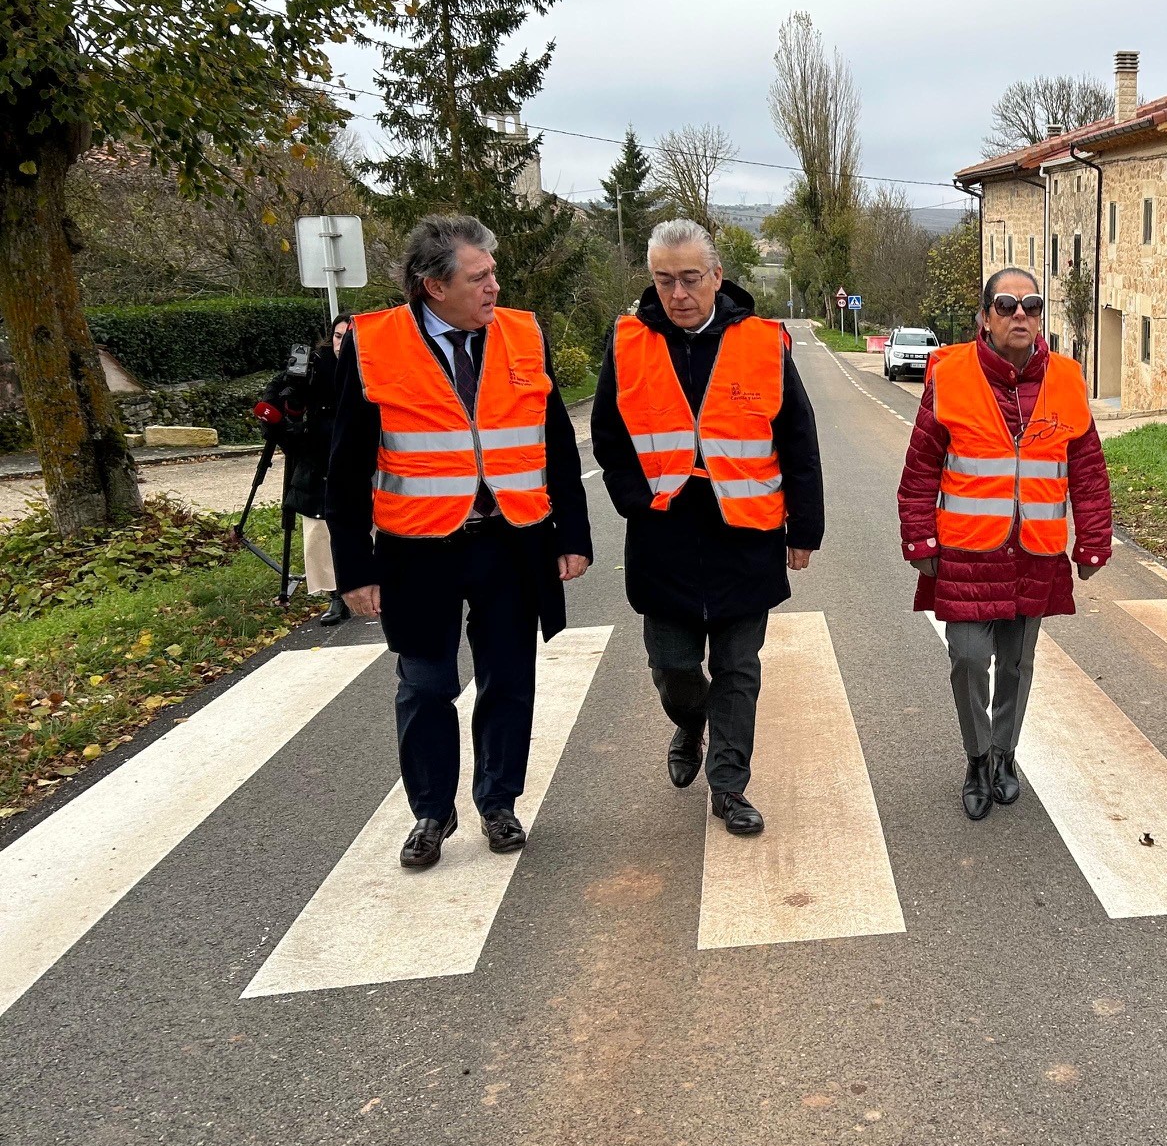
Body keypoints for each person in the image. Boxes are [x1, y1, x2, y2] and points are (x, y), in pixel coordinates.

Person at [327, 215, 593, 869]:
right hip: (418, 551)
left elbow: (557, 442)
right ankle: (431, 812)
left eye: (493, 273)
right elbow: (345, 468)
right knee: (425, 683)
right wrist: (354, 569)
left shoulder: (524, 336)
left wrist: (572, 534)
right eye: (479, 277)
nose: (494, 286)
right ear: (432, 287)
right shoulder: (375, 345)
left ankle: (498, 802)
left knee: (509, 677)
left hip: (510, 543)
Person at [591, 219, 824, 837]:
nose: (677, 293)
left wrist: (804, 527)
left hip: (745, 534)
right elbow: (609, 437)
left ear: (717, 277)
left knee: (738, 668)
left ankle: (729, 785)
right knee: (672, 666)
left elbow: (797, 438)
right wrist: (634, 500)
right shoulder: (629, 341)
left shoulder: (763, 342)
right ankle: (689, 722)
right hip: (663, 534)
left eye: (690, 278)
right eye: (664, 280)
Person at [897, 267, 1112, 821]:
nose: (1021, 314)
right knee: (968, 659)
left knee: (1017, 663)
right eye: (1007, 304)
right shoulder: (951, 377)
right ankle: (975, 757)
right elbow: (921, 467)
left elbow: (1086, 469)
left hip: (1035, 552)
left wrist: (1092, 540)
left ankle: (1004, 754)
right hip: (967, 552)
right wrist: (919, 535)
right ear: (985, 317)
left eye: (1032, 305)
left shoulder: (1066, 379)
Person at [298, 315, 350, 626]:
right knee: (319, 527)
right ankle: (335, 594)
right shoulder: (316, 368)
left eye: (349, 336)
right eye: (338, 336)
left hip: (364, 455)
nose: (342, 342)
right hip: (320, 458)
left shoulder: (372, 364)